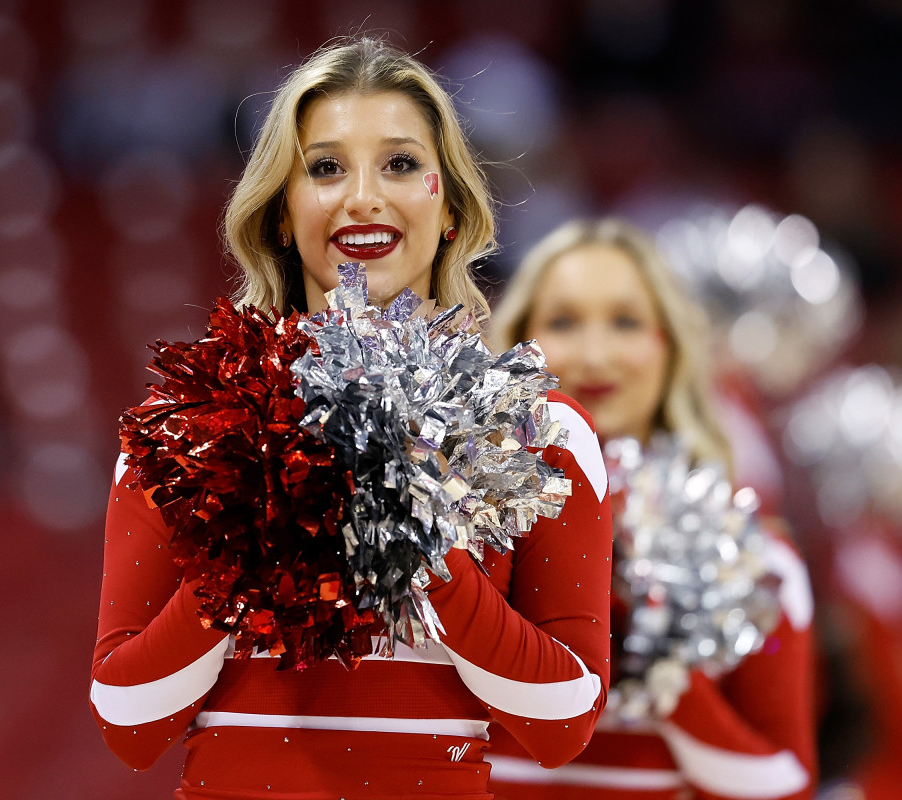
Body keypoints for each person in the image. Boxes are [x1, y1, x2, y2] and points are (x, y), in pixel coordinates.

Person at [89, 37, 614, 799]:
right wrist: (244, 551)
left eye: (400, 164)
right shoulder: (185, 427)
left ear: (452, 209)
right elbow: (129, 726)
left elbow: (563, 724)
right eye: (326, 167)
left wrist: (422, 546)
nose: (362, 196)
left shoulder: (541, 431)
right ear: (279, 213)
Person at [486, 218, 818, 800]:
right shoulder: (457, 526)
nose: (594, 354)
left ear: (670, 348)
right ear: (519, 345)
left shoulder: (753, 560)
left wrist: (658, 651)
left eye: (626, 322)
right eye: (563, 322)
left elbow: (787, 785)